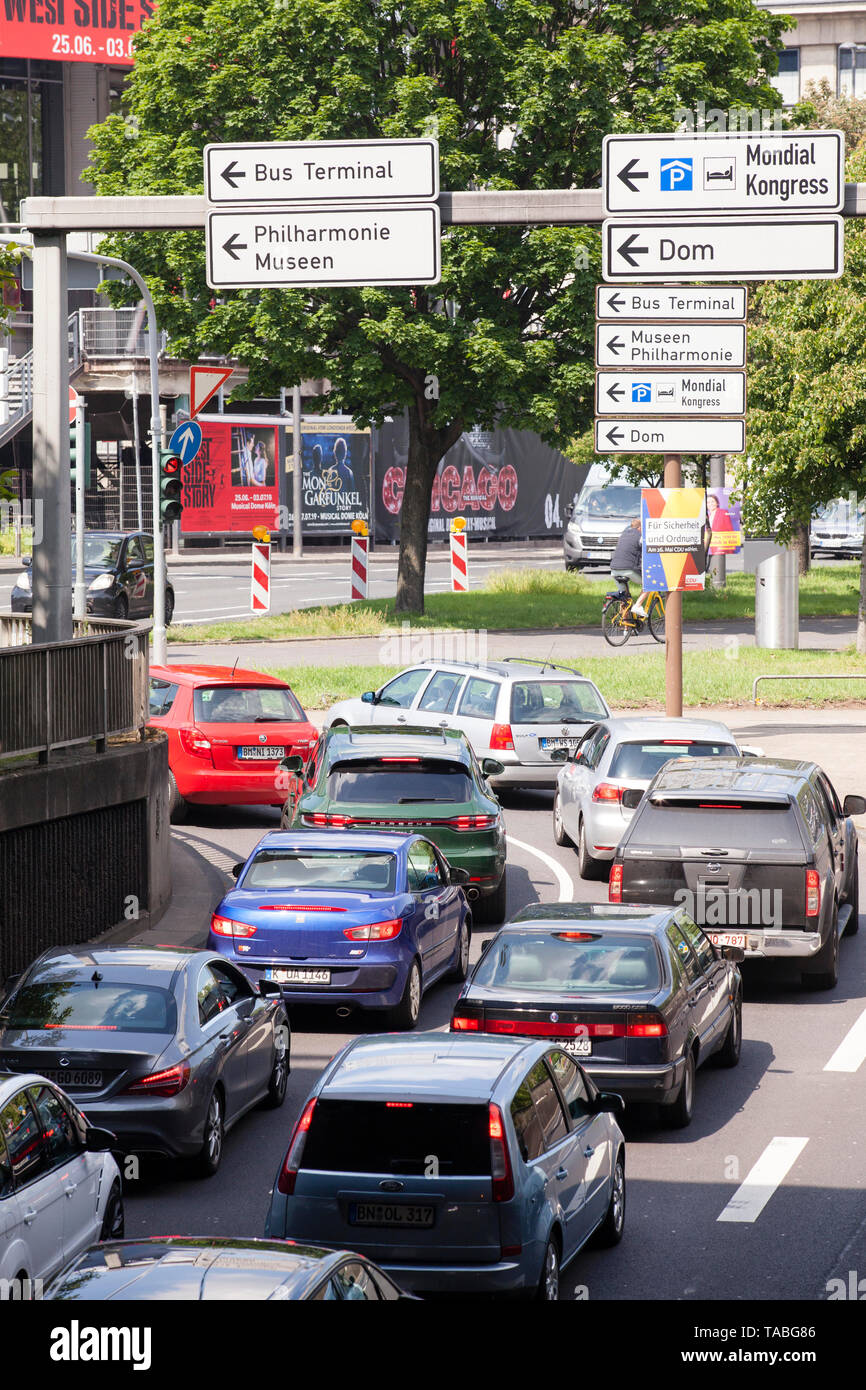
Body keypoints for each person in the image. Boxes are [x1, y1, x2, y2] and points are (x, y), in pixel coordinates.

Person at [610, 516, 649, 618]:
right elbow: (645, 552)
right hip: (628, 569)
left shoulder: (623, 535)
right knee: (648, 584)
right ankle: (638, 605)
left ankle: (626, 628)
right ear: (640, 528)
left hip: (614, 570)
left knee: (624, 598)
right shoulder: (640, 537)